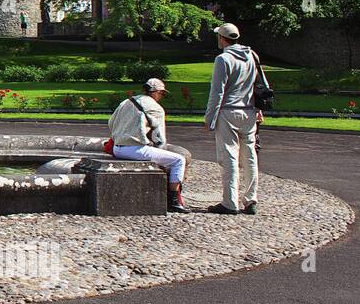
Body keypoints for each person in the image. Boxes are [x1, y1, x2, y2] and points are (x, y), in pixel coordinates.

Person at [204, 22, 269, 215]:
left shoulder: (223, 59)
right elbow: (262, 84)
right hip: (248, 111)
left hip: (228, 112)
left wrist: (210, 118)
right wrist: (259, 108)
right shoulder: (252, 55)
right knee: (250, 157)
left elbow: (217, 91)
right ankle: (251, 200)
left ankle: (230, 202)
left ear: (222, 38)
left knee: (230, 157)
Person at [107, 78, 188, 212]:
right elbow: (160, 138)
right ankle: (174, 200)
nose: (161, 97)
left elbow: (111, 123)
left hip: (117, 148)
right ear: (156, 92)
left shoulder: (126, 102)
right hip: (135, 149)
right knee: (179, 160)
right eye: (161, 94)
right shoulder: (156, 108)